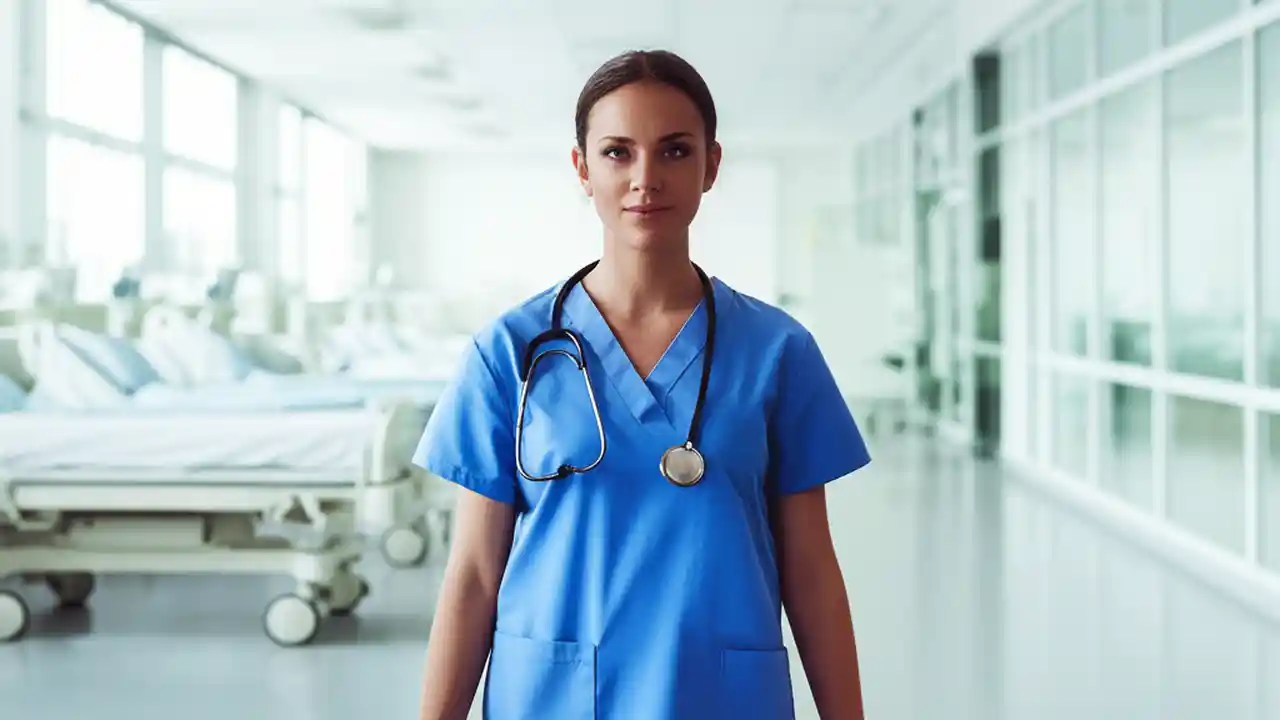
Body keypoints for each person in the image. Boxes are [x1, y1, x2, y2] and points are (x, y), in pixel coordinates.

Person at [414, 49, 871, 720]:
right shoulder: (509, 352)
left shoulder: (778, 352)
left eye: (675, 151)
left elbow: (811, 570)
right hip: (552, 696)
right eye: (619, 153)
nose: (646, 179)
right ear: (582, 168)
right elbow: (476, 577)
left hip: (719, 696)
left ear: (712, 165)